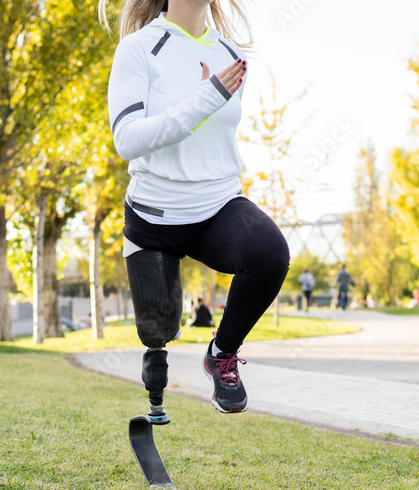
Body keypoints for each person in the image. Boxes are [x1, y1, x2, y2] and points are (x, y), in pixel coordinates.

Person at [103, 0, 290, 417]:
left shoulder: (230, 55)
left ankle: (221, 353)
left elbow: (215, 139)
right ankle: (155, 397)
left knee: (271, 255)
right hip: (155, 216)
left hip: (217, 204)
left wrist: (212, 98)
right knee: (157, 330)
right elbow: (127, 140)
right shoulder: (138, 48)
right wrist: (205, 98)